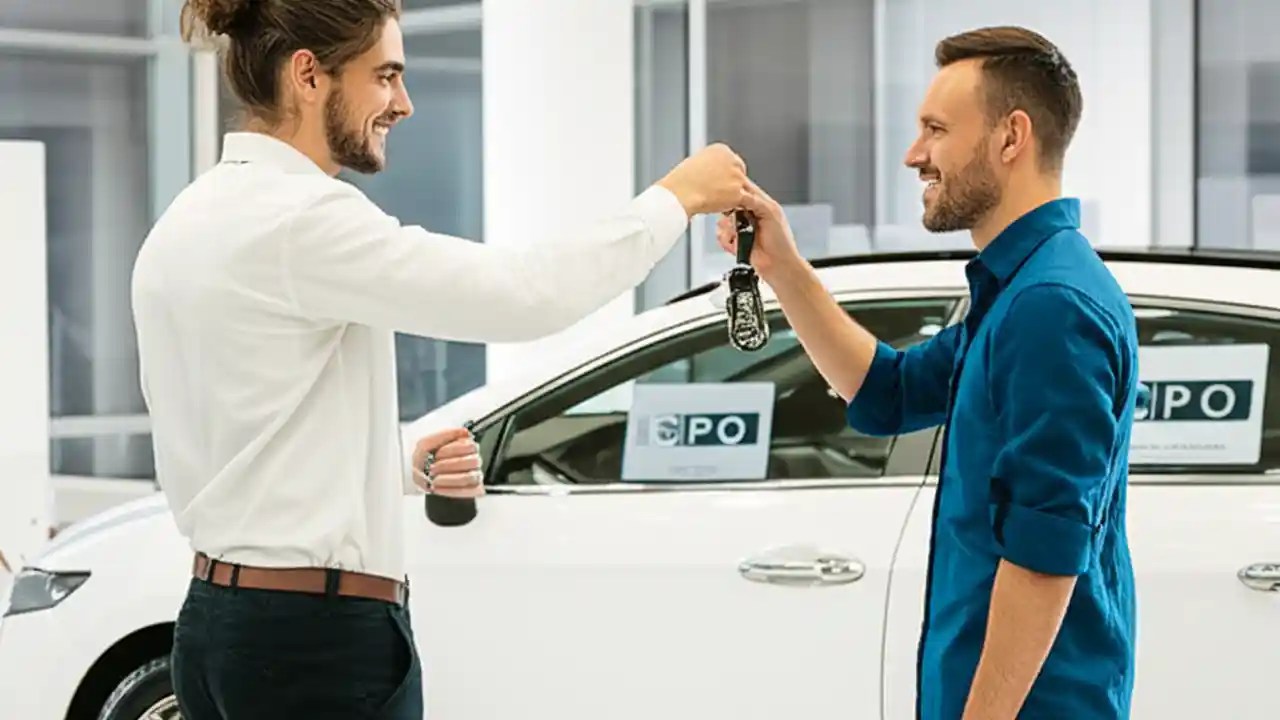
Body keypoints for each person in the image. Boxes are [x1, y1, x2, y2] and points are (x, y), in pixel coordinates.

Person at [131, 1, 751, 718]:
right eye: (385, 76)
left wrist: (392, 462)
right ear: (308, 74)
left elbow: (240, 433)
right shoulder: (301, 220)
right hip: (315, 643)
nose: (404, 103)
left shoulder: (185, 223)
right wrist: (677, 198)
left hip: (214, 629)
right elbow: (522, 296)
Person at [719, 25, 1137, 720]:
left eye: (935, 130)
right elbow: (890, 393)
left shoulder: (1050, 307)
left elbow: (1045, 552)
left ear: (1011, 138)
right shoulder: (1020, 292)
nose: (915, 155)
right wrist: (781, 266)